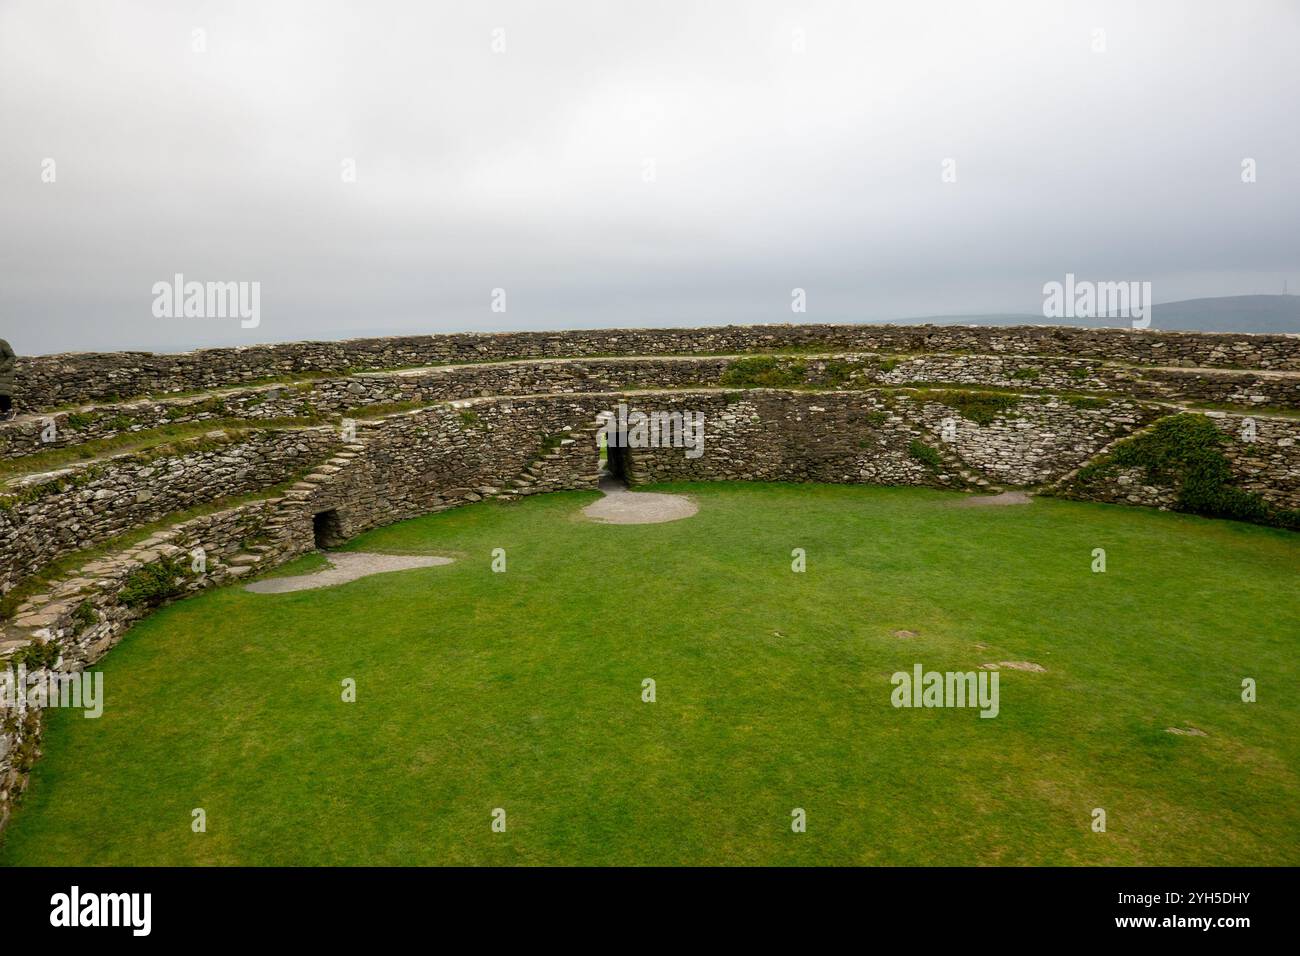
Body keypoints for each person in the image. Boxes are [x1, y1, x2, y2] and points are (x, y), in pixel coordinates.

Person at [0, 337, 14, 420]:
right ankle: (5, 413)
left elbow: (12, 357)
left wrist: (2, 367)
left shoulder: (2, 343)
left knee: (3, 392)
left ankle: (10, 412)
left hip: (5, 372)